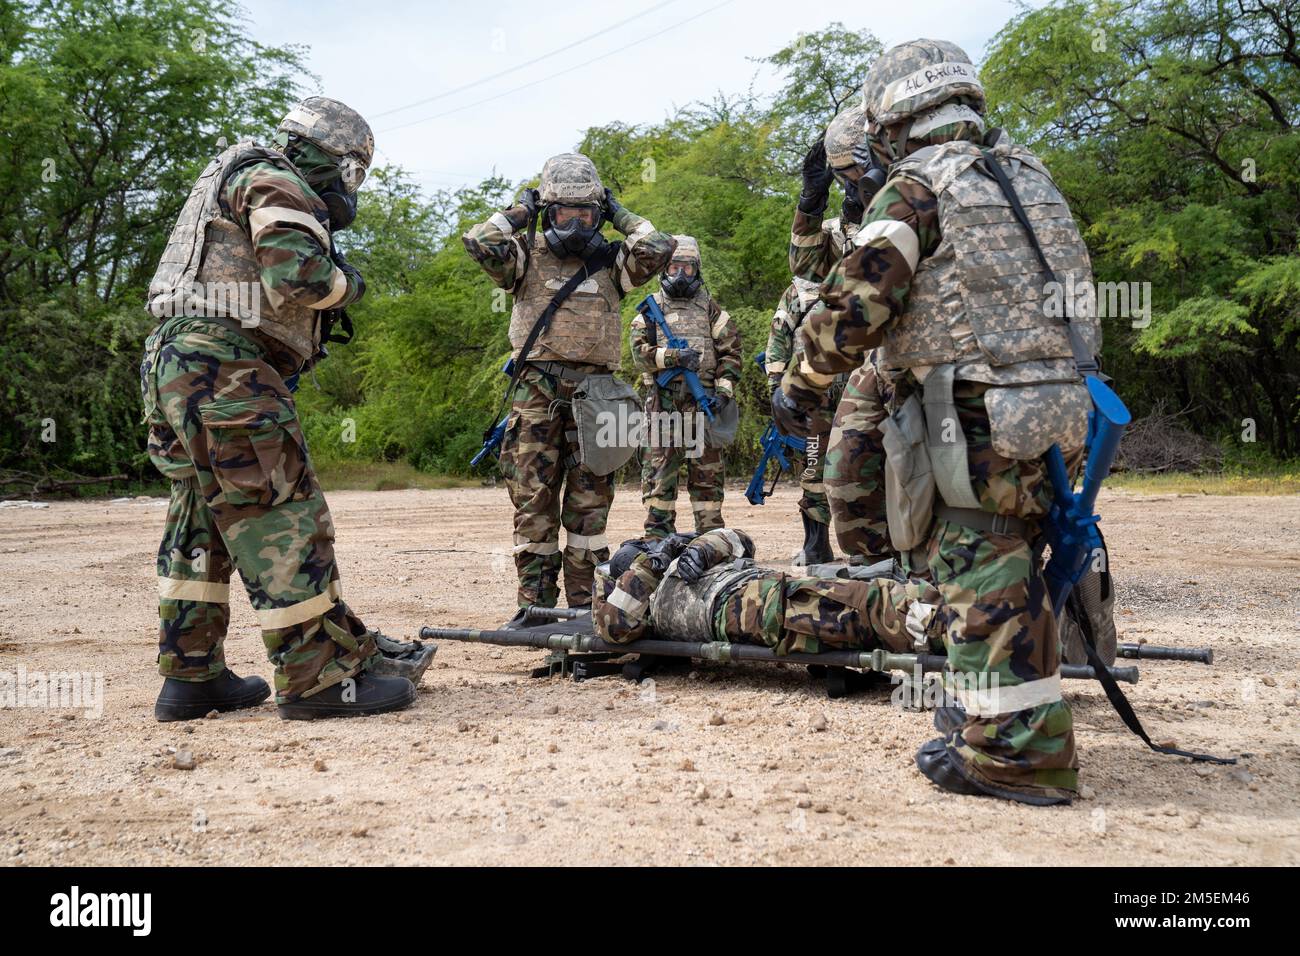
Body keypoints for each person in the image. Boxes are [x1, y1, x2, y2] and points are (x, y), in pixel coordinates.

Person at [775, 40, 1101, 805]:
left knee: (979, 563)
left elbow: (855, 307)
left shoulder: (917, 189)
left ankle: (1018, 759)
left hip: (976, 414)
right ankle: (993, 714)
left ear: (895, 119)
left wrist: (800, 384)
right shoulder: (1027, 175)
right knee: (1016, 560)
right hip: (1062, 405)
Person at [141, 97, 424, 721]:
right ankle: (317, 678)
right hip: (224, 367)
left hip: (176, 365)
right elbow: (300, 277)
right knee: (280, 511)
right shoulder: (274, 176)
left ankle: (191, 676)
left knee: (203, 520)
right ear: (344, 165)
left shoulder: (235, 170)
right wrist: (350, 284)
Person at [463, 154, 676, 610]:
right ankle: (536, 609)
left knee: (590, 509)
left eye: (586, 213)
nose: (576, 222)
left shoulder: (612, 262)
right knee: (533, 507)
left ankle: (585, 610)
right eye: (564, 212)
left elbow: (659, 246)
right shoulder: (523, 255)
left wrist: (621, 214)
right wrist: (522, 211)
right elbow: (481, 241)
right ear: (548, 212)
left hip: (598, 395)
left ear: (599, 214)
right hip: (537, 392)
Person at [592, 529, 942, 654]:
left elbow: (741, 540)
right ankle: (958, 627)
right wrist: (650, 567)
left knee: (864, 602)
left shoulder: (682, 555)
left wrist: (701, 548)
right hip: (753, 610)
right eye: (641, 549)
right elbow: (615, 627)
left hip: (769, 591)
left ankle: (956, 620)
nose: (650, 547)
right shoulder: (640, 596)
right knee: (865, 608)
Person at [630, 236, 742, 539]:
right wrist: (673, 356)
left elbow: (731, 353)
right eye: (674, 267)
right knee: (660, 472)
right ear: (663, 270)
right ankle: (657, 540)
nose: (680, 275)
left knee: (706, 474)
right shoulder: (650, 312)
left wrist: (723, 391)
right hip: (663, 402)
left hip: (702, 399)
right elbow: (639, 355)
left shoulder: (710, 309)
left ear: (697, 270)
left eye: (688, 269)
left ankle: (710, 539)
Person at [764, 278, 839, 564]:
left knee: (861, 466)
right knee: (813, 469)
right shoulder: (800, 290)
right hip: (812, 395)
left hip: (856, 391)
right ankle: (817, 545)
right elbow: (778, 337)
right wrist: (776, 389)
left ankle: (867, 547)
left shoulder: (863, 271)